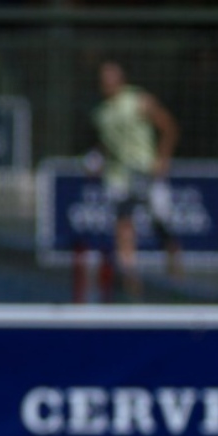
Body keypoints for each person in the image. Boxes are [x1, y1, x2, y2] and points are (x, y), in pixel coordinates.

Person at [92, 60, 180, 299]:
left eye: (110, 78)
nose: (106, 84)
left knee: (162, 223)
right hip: (119, 176)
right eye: (103, 79)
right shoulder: (101, 113)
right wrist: (97, 160)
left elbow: (168, 126)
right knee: (123, 223)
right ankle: (131, 279)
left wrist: (163, 158)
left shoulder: (139, 101)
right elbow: (107, 146)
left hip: (145, 171)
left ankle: (175, 274)